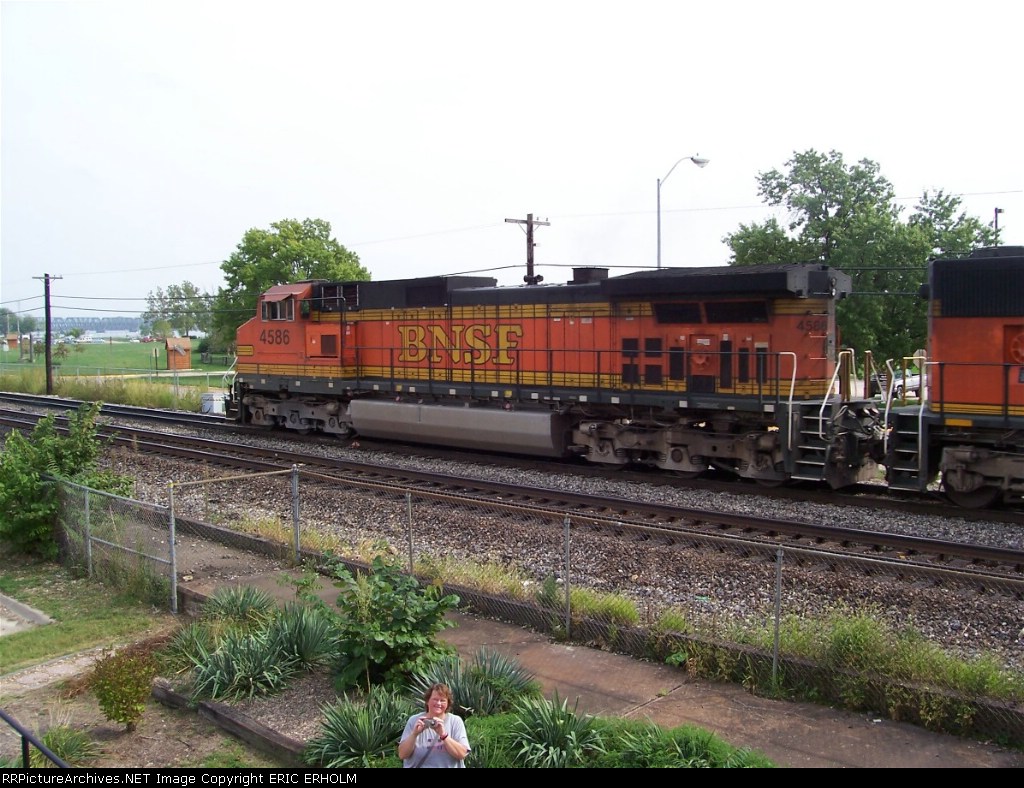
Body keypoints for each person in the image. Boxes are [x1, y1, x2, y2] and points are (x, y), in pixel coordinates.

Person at [397, 683, 470, 768]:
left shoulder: (455, 721)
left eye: (442, 700)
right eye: (435, 699)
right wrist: (414, 734)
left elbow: (462, 754)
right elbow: (402, 755)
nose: (438, 703)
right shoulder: (414, 721)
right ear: (427, 701)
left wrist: (444, 735)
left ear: (447, 704)